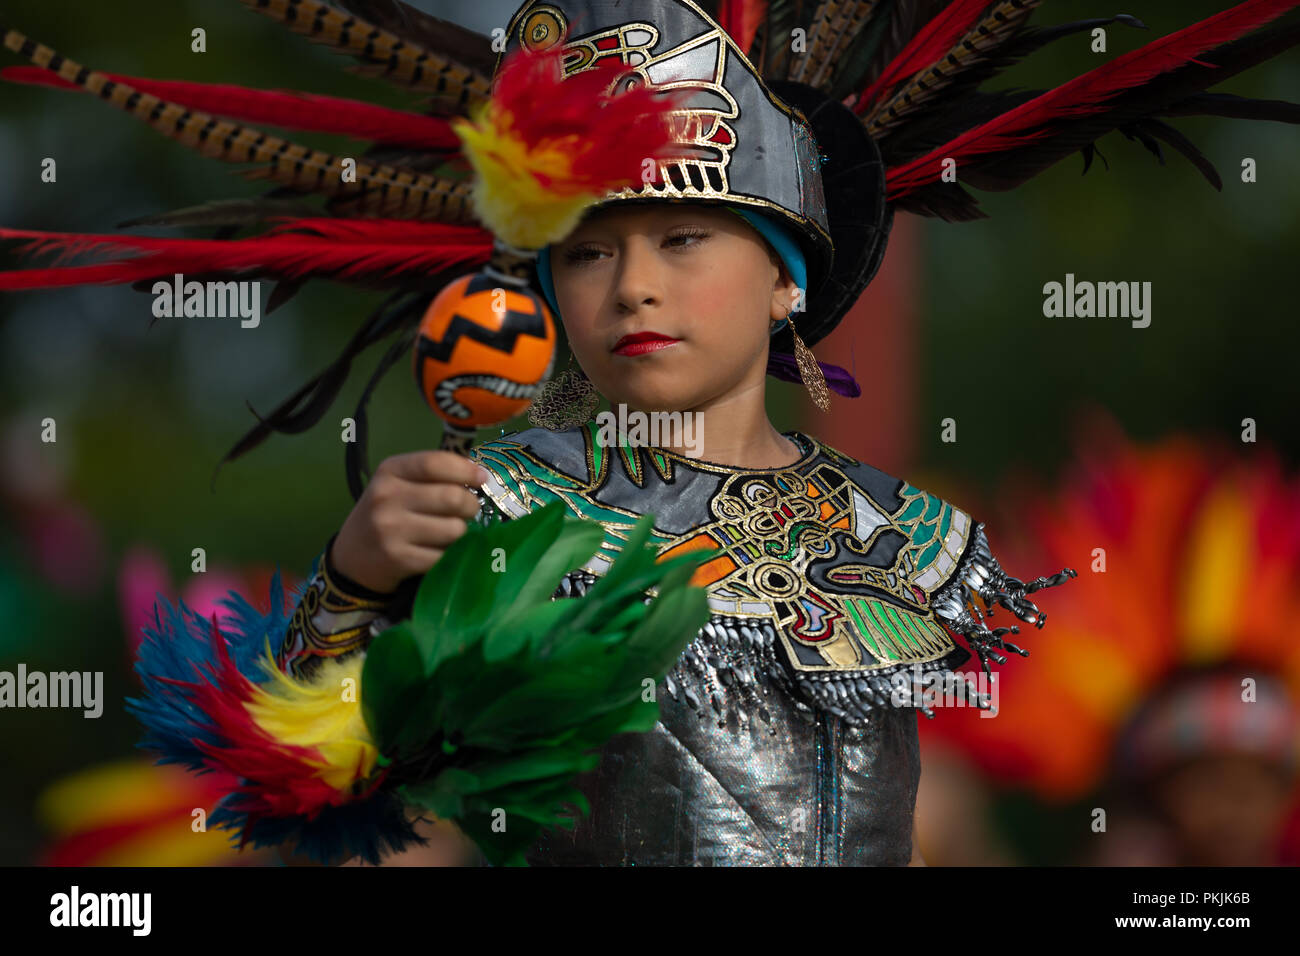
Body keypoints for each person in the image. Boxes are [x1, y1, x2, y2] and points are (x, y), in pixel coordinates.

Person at [5, 0, 1296, 866]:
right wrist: (349, 584)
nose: (633, 288)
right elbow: (301, 805)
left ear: (793, 278)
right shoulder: (499, 512)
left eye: (684, 242)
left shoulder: (922, 541)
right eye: (592, 256)